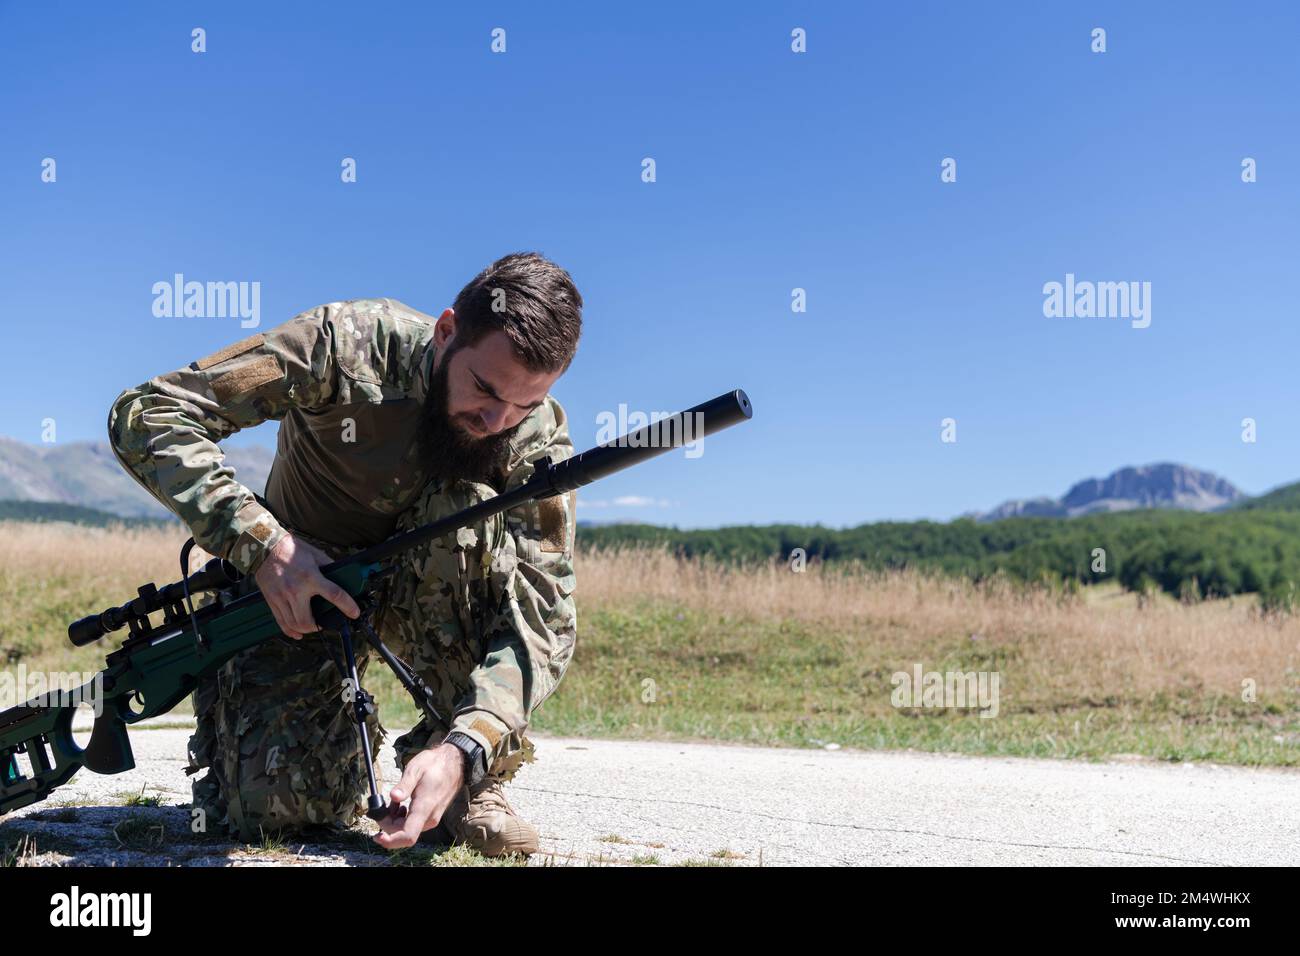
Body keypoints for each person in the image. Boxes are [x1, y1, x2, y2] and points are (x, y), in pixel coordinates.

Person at [107, 252, 583, 857]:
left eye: (524, 403)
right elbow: (149, 414)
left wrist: (468, 744)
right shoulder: (346, 344)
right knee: (278, 813)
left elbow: (544, 612)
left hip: (436, 586)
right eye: (484, 389)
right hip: (299, 596)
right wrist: (265, 545)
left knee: (463, 512)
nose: (497, 421)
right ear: (445, 333)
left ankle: (458, 776)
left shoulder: (533, 433)